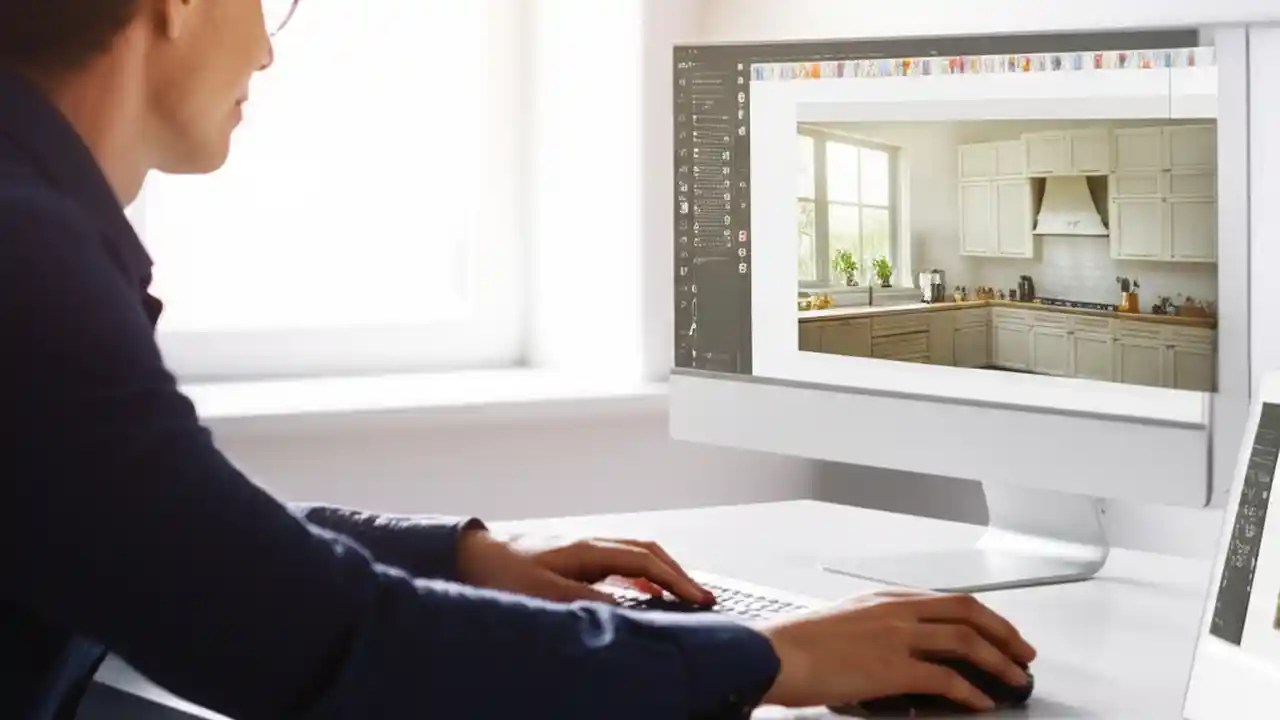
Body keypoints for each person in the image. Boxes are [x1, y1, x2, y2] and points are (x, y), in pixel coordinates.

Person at [0, 1, 1036, 719]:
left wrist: (459, 557)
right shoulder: (26, 262)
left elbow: (173, 538)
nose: (266, 54)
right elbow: (330, 644)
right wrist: (776, 656)